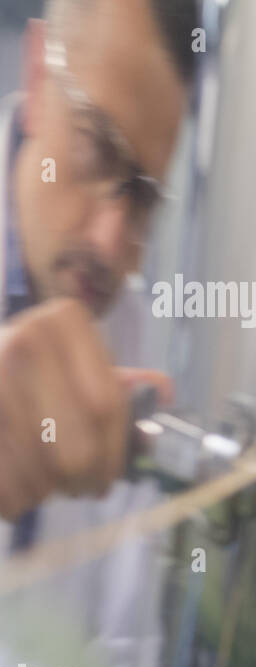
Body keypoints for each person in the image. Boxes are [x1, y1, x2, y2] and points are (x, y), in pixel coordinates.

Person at [0, 0, 190, 529]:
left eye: (143, 199)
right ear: (38, 75)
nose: (111, 246)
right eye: (98, 148)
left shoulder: (132, 346)